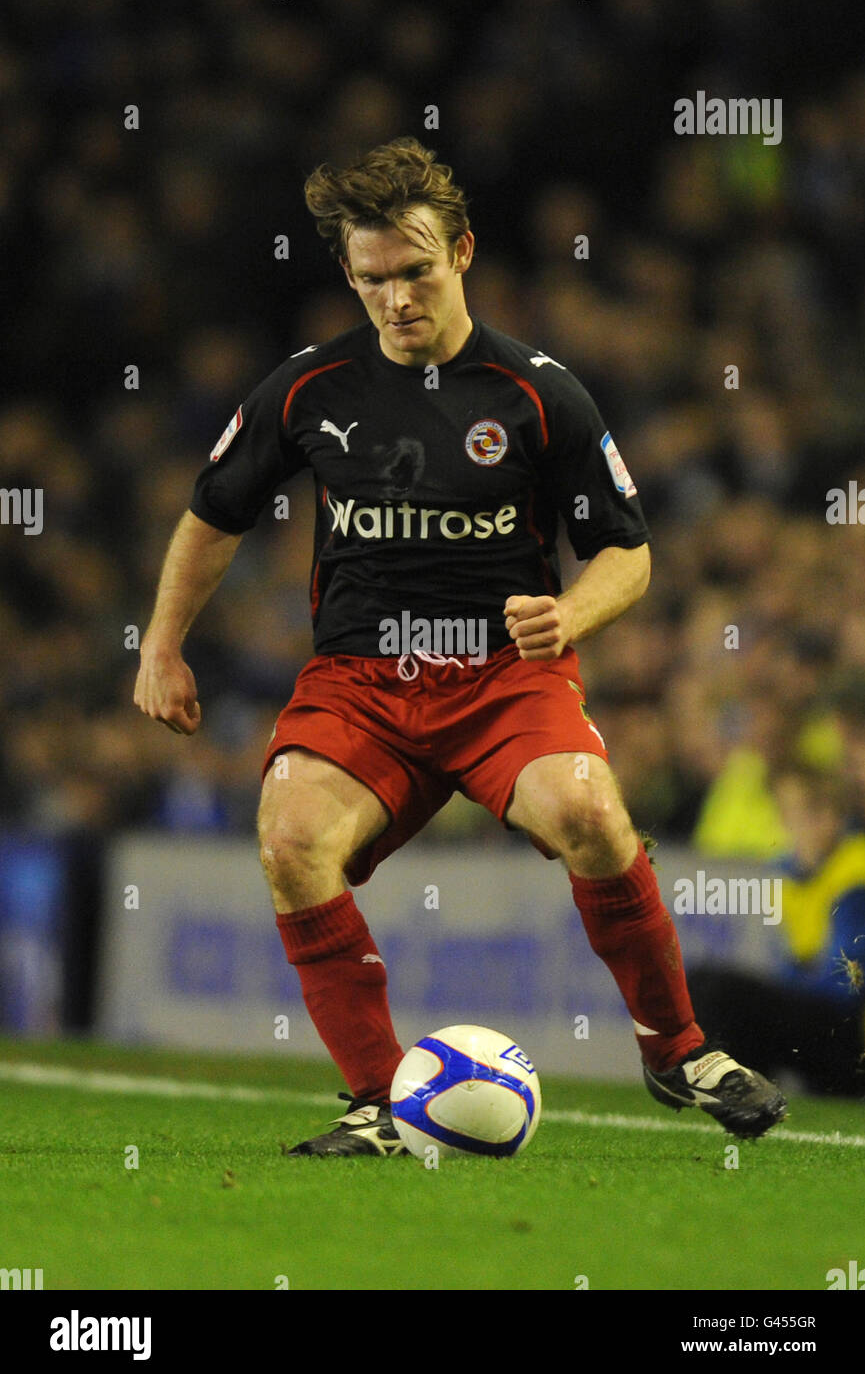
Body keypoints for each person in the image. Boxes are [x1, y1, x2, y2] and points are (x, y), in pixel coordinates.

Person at [134, 137, 786, 1154]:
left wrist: (570, 615)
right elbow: (212, 514)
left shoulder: (536, 393)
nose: (395, 298)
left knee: (587, 811)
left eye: (414, 271)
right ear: (350, 278)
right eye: (372, 280)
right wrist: (161, 647)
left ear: (463, 253)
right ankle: (375, 1104)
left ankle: (677, 1048)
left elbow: (628, 554)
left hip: (499, 679)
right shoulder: (308, 389)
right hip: (360, 681)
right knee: (288, 834)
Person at [688, 762, 865, 1096]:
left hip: (850, 1034)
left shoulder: (855, 872)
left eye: (796, 815)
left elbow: (848, 984)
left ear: (831, 817)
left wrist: (790, 986)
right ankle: (745, 1093)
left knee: (721, 994)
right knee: (702, 983)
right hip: (817, 1017)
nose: (788, 827)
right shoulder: (784, 876)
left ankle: (744, 1094)